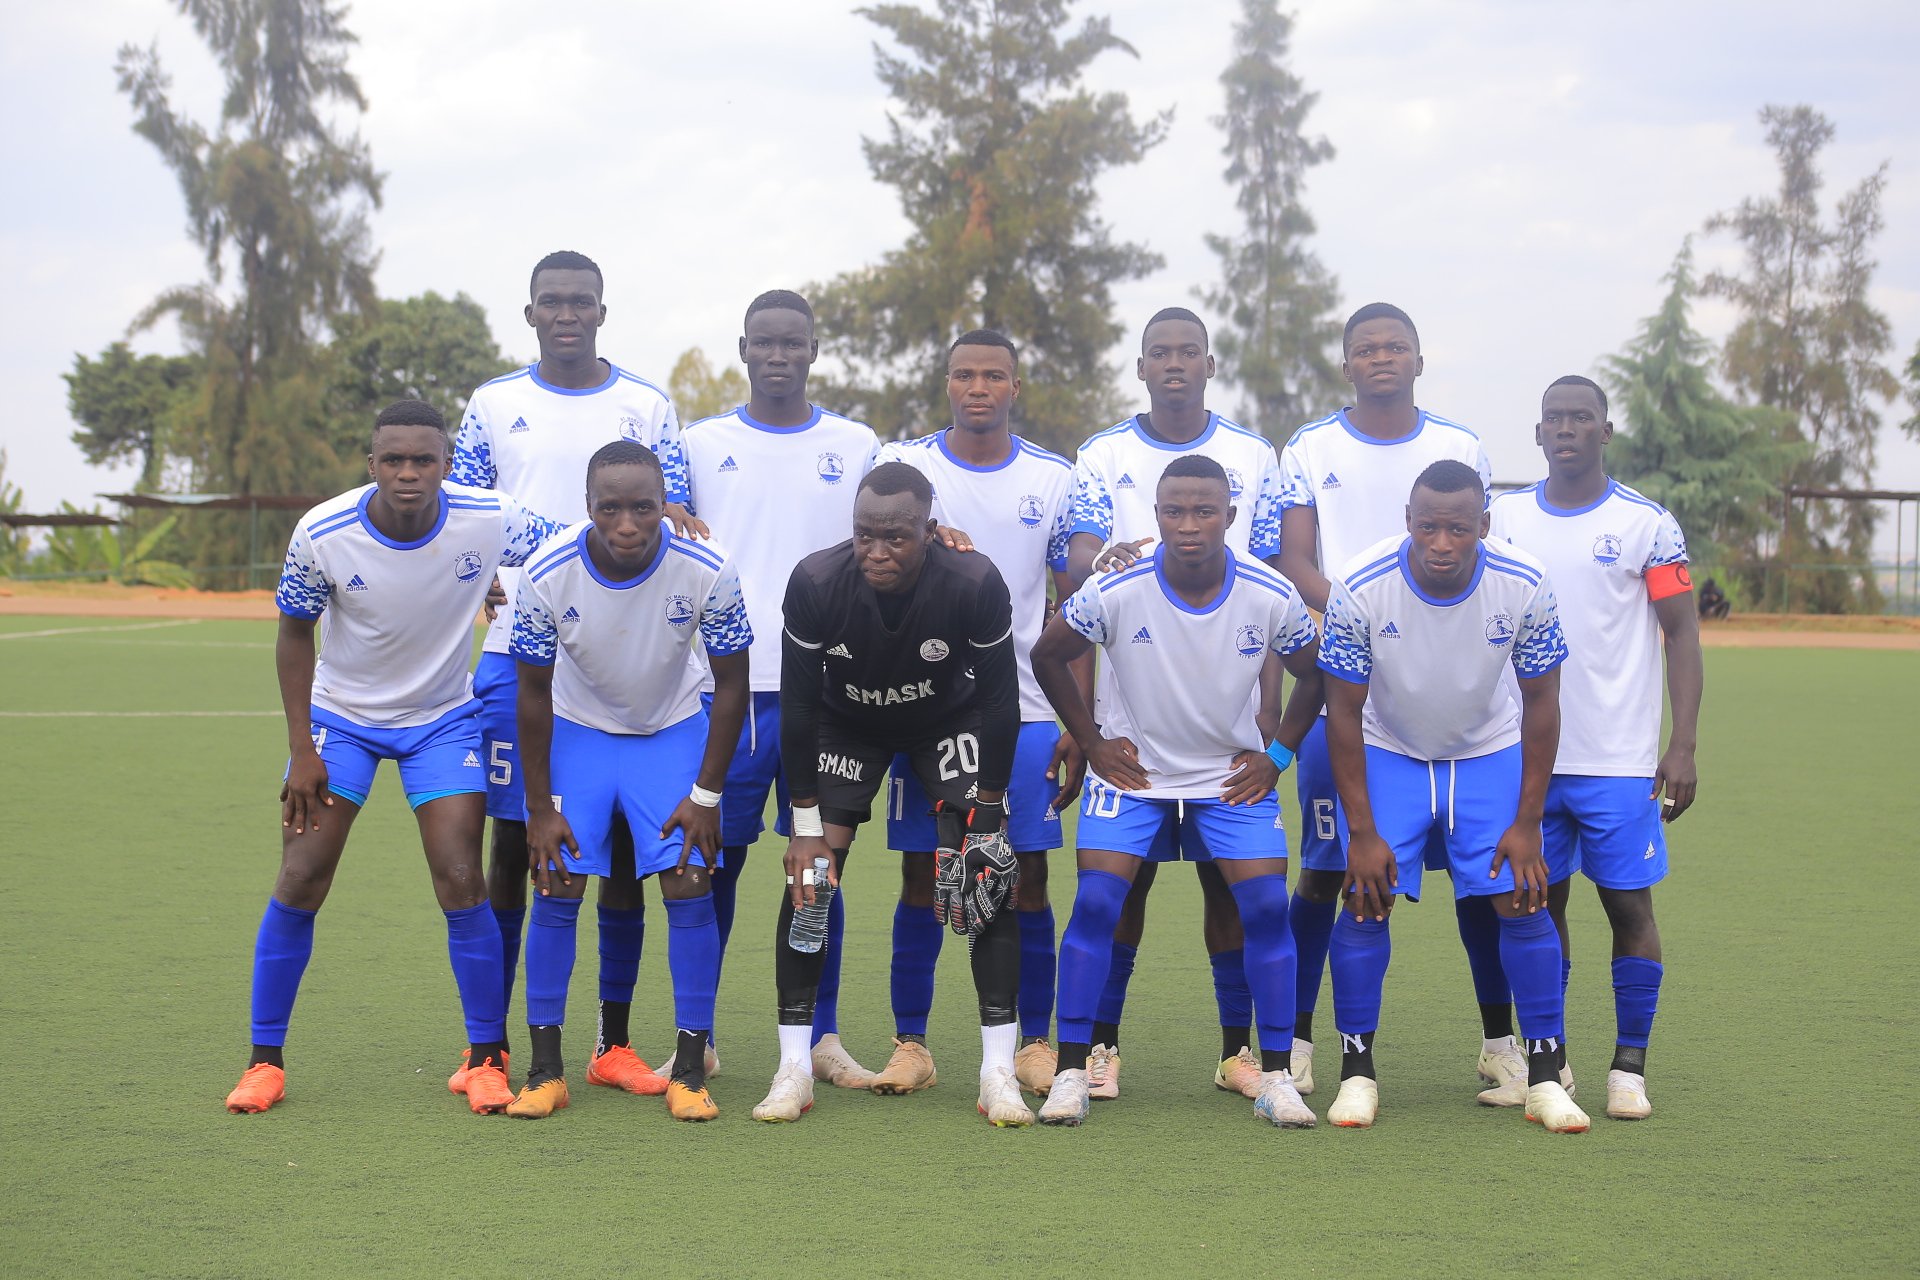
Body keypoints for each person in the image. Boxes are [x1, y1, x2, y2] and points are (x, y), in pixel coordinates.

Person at [225, 400, 563, 1115]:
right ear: (370, 463)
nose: (410, 474)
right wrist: (300, 749)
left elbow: (575, 547)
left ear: (446, 464)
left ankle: (484, 1059)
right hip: (340, 722)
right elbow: (293, 636)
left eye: (425, 461)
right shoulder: (323, 530)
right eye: (395, 461)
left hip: (441, 720)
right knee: (301, 873)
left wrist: (665, 522)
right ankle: (264, 1061)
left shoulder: (490, 516)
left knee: (461, 876)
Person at [449, 249, 698, 1100]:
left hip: (630, 666)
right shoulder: (492, 405)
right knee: (518, 840)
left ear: (602, 310)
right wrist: (481, 572)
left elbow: (679, 514)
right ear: (529, 313)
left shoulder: (646, 406)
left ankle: (611, 1042)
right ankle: (493, 1046)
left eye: (580, 302)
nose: (566, 314)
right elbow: (463, 512)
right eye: (551, 302)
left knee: (622, 852)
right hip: (517, 654)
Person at [1032, 455, 1325, 1127]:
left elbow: (1318, 675)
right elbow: (1048, 653)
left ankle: (1275, 1076)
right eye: (1173, 512)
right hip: (1135, 777)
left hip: (1228, 778)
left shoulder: (1268, 589)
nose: (1188, 526)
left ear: (1228, 516)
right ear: (1157, 515)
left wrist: (1276, 756)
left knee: (1266, 910)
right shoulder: (1118, 585)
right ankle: (1074, 1070)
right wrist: (1094, 740)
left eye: (1203, 512)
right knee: (1100, 900)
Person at [1275, 302, 1519, 1100]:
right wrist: (1364, 624)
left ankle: (1501, 1043)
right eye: (1365, 348)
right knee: (1330, 872)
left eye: (1396, 347)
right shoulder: (1310, 447)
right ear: (1346, 363)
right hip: (1345, 690)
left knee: (1483, 882)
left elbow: (1488, 557)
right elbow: (1294, 557)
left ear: (1419, 361)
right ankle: (1301, 1040)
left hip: (1454, 697)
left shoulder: (1461, 447)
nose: (1381, 357)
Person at [1315, 460, 1588, 1133]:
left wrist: (1528, 821)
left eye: (1458, 529)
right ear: (1408, 523)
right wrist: (1362, 831)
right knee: (1364, 898)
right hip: (1390, 749)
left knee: (1522, 895)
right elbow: (1342, 713)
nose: (1442, 542)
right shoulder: (1361, 584)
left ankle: (1546, 1075)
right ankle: (1357, 1073)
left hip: (1486, 751)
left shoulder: (1523, 582)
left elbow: (1544, 702)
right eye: (1429, 527)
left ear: (1483, 528)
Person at [750, 463, 1027, 1126]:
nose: (877, 551)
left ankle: (998, 1072)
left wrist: (987, 814)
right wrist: (806, 824)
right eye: (864, 535)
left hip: (945, 720)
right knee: (811, 881)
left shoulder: (974, 580)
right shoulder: (816, 581)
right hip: (845, 722)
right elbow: (795, 707)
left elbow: (999, 701)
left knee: (987, 874)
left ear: (929, 532)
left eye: (896, 538)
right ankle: (793, 1067)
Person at [1060, 307, 1289, 1101]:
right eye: (1160, 352)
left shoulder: (1254, 456)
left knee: (1234, 885)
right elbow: (1081, 558)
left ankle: (1239, 1053)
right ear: (1142, 366)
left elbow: (1267, 590)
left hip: (1226, 713)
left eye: (1188, 351)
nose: (1174, 364)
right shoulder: (1103, 453)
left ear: (1210, 363)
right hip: (1133, 713)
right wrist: (1085, 730)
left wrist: (1272, 716)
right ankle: (1099, 1050)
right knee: (1122, 888)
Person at [503, 441, 752, 1122]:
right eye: (609, 508)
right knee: (555, 882)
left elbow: (733, 683)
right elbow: (530, 694)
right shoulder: (547, 571)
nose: (627, 524)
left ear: (664, 504)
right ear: (587, 508)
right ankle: (546, 1069)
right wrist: (536, 808)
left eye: (643, 507)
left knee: (690, 880)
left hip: (669, 732)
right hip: (579, 734)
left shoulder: (707, 566)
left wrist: (705, 795)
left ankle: (691, 1069)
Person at [676, 290, 883, 1089]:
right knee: (710, 869)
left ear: (814, 349)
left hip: (829, 694)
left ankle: (821, 1038)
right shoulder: (699, 444)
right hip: (721, 691)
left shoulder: (855, 443)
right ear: (742, 348)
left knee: (817, 873)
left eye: (792, 342)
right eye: (764, 342)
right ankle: (701, 1036)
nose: (778, 355)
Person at [870, 330, 1081, 1098]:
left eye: (995, 375)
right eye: (965, 374)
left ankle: (1032, 1042)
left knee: (1024, 876)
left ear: (1015, 386)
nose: (979, 387)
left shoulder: (1055, 479)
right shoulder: (906, 468)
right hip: (923, 712)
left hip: (1021, 709)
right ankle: (912, 1042)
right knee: (922, 875)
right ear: (946, 382)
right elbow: (870, 559)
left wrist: (1073, 717)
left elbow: (1075, 608)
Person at [1489, 375, 1702, 1120]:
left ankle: (1629, 1069)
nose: (1568, 429)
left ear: (1606, 431)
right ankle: (1551, 1064)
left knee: (1628, 906)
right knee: (1533, 907)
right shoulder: (1504, 516)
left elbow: (1682, 634)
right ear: (1539, 433)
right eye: (1556, 419)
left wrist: (1682, 744)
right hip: (1526, 759)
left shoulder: (1649, 525)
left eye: (1583, 418)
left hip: (1618, 759)